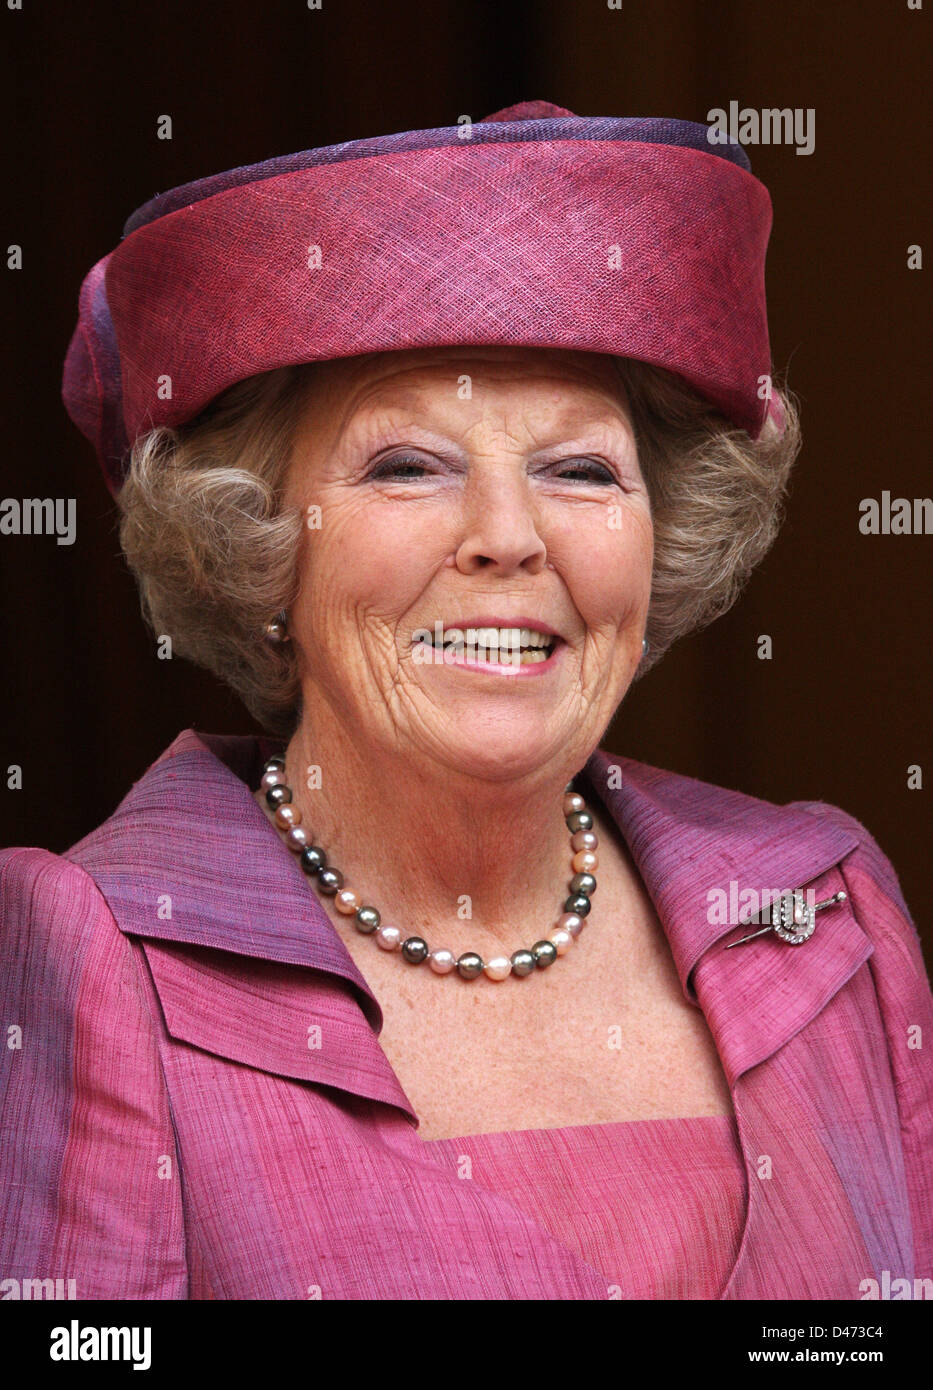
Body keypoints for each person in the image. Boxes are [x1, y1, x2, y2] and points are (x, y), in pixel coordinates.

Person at [1, 100, 930, 1301]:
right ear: (264, 540)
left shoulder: (824, 916)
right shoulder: (108, 959)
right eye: (407, 466)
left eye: (581, 469)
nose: (507, 536)